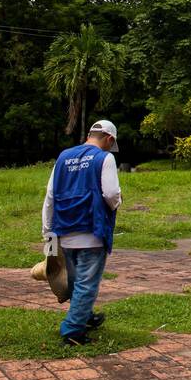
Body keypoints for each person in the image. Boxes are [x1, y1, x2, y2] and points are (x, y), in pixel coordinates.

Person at [42, 120, 122, 346]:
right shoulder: (105, 158)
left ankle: (86, 316)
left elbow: (50, 196)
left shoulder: (63, 157)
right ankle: (73, 330)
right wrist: (118, 203)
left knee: (76, 279)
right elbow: (111, 194)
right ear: (110, 139)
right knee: (87, 282)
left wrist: (47, 232)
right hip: (92, 230)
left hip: (64, 230)